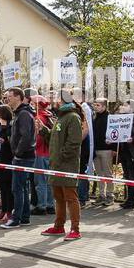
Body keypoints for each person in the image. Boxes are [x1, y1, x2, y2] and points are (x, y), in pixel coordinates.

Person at [42, 90, 84, 239]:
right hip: (56, 164)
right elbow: (54, 139)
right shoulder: (60, 117)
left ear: (62, 100)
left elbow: (74, 142)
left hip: (67, 165)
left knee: (70, 198)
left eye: (55, 97)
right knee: (58, 198)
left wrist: (61, 157)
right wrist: (42, 129)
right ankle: (59, 227)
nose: (52, 100)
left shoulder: (72, 117)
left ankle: (75, 229)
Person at [4, 88, 37, 229]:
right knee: (22, 187)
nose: (7, 99)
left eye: (10, 97)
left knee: (17, 188)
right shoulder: (20, 113)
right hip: (23, 156)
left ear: (18, 97)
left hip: (23, 157)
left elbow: (26, 136)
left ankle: (17, 218)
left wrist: (18, 152)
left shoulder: (23, 114)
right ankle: (24, 217)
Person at [0, 104, 16, 224]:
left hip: (8, 159)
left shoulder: (11, 126)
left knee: (8, 187)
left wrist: (5, 141)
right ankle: (3, 210)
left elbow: (13, 143)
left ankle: (9, 211)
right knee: (2, 186)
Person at [90, 99, 115, 206]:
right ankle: (101, 195)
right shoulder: (94, 117)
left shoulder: (110, 118)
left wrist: (114, 148)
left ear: (104, 107)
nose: (95, 107)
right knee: (99, 174)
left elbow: (115, 133)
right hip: (96, 149)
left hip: (106, 149)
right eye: (95, 105)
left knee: (108, 173)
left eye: (98, 105)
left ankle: (110, 195)